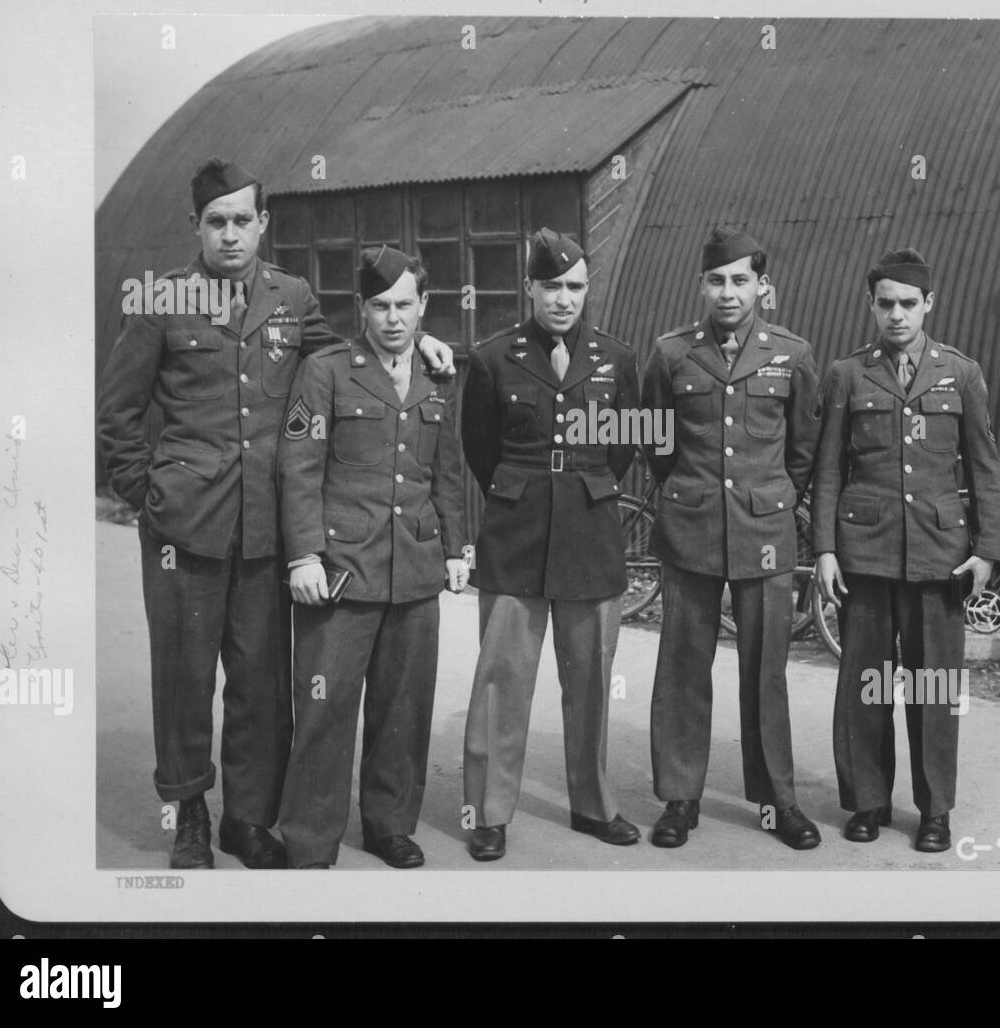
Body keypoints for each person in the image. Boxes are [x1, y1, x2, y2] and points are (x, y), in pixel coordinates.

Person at [96, 158, 453, 870]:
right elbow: (117, 415)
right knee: (184, 678)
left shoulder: (291, 295)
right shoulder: (161, 300)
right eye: (215, 221)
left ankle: (249, 817)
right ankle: (190, 813)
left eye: (242, 220)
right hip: (184, 529)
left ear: (264, 224)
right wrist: (152, 497)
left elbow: (347, 359)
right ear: (196, 226)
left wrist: (428, 343)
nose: (230, 234)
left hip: (264, 527)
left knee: (261, 682)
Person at [275, 246, 467, 870]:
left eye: (404, 305)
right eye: (379, 306)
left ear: (424, 308)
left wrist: (458, 548)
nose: (391, 318)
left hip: (415, 567)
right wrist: (303, 556)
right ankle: (309, 837)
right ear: (360, 308)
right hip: (342, 571)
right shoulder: (327, 370)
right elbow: (299, 469)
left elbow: (449, 469)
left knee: (404, 708)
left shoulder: (440, 373)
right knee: (326, 707)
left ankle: (390, 825)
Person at [812, 247, 1000, 852]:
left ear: (929, 305)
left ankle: (935, 809)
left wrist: (986, 551)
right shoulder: (847, 374)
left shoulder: (960, 373)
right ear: (871, 305)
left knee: (933, 687)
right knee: (866, 683)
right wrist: (823, 550)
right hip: (864, 553)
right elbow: (826, 472)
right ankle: (867, 802)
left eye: (909, 304)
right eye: (886, 303)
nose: (897, 315)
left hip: (939, 556)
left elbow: (984, 467)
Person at [460, 227, 641, 862]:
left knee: (591, 679)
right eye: (552, 287)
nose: (564, 299)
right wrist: (528, 491)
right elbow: (480, 451)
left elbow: (619, 452)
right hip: (515, 537)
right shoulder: (491, 358)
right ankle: (488, 811)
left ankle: (593, 806)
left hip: (590, 538)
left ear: (587, 289)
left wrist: (578, 489)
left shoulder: (617, 360)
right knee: (502, 679)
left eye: (575, 287)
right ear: (529, 289)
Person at [642, 226, 823, 850]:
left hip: (764, 530)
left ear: (761, 287)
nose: (728, 291)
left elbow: (803, 452)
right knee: (682, 667)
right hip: (689, 527)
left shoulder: (792, 354)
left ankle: (779, 800)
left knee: (766, 670)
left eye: (740, 280)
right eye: (717, 280)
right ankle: (679, 797)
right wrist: (690, 493)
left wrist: (769, 495)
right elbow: (658, 445)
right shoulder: (670, 354)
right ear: (702, 284)